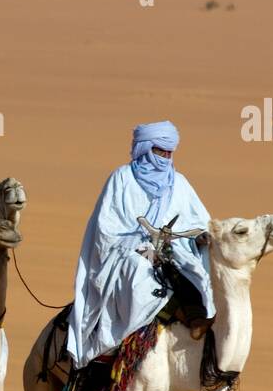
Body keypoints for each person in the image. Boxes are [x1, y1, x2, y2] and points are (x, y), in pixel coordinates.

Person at [65, 120, 213, 368]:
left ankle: (199, 325)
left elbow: (199, 221)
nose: (165, 157)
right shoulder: (122, 178)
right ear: (145, 149)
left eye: (169, 152)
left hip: (173, 249)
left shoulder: (180, 184)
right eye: (160, 151)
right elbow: (106, 228)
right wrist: (138, 240)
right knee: (142, 271)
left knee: (196, 273)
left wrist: (199, 238)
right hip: (126, 250)